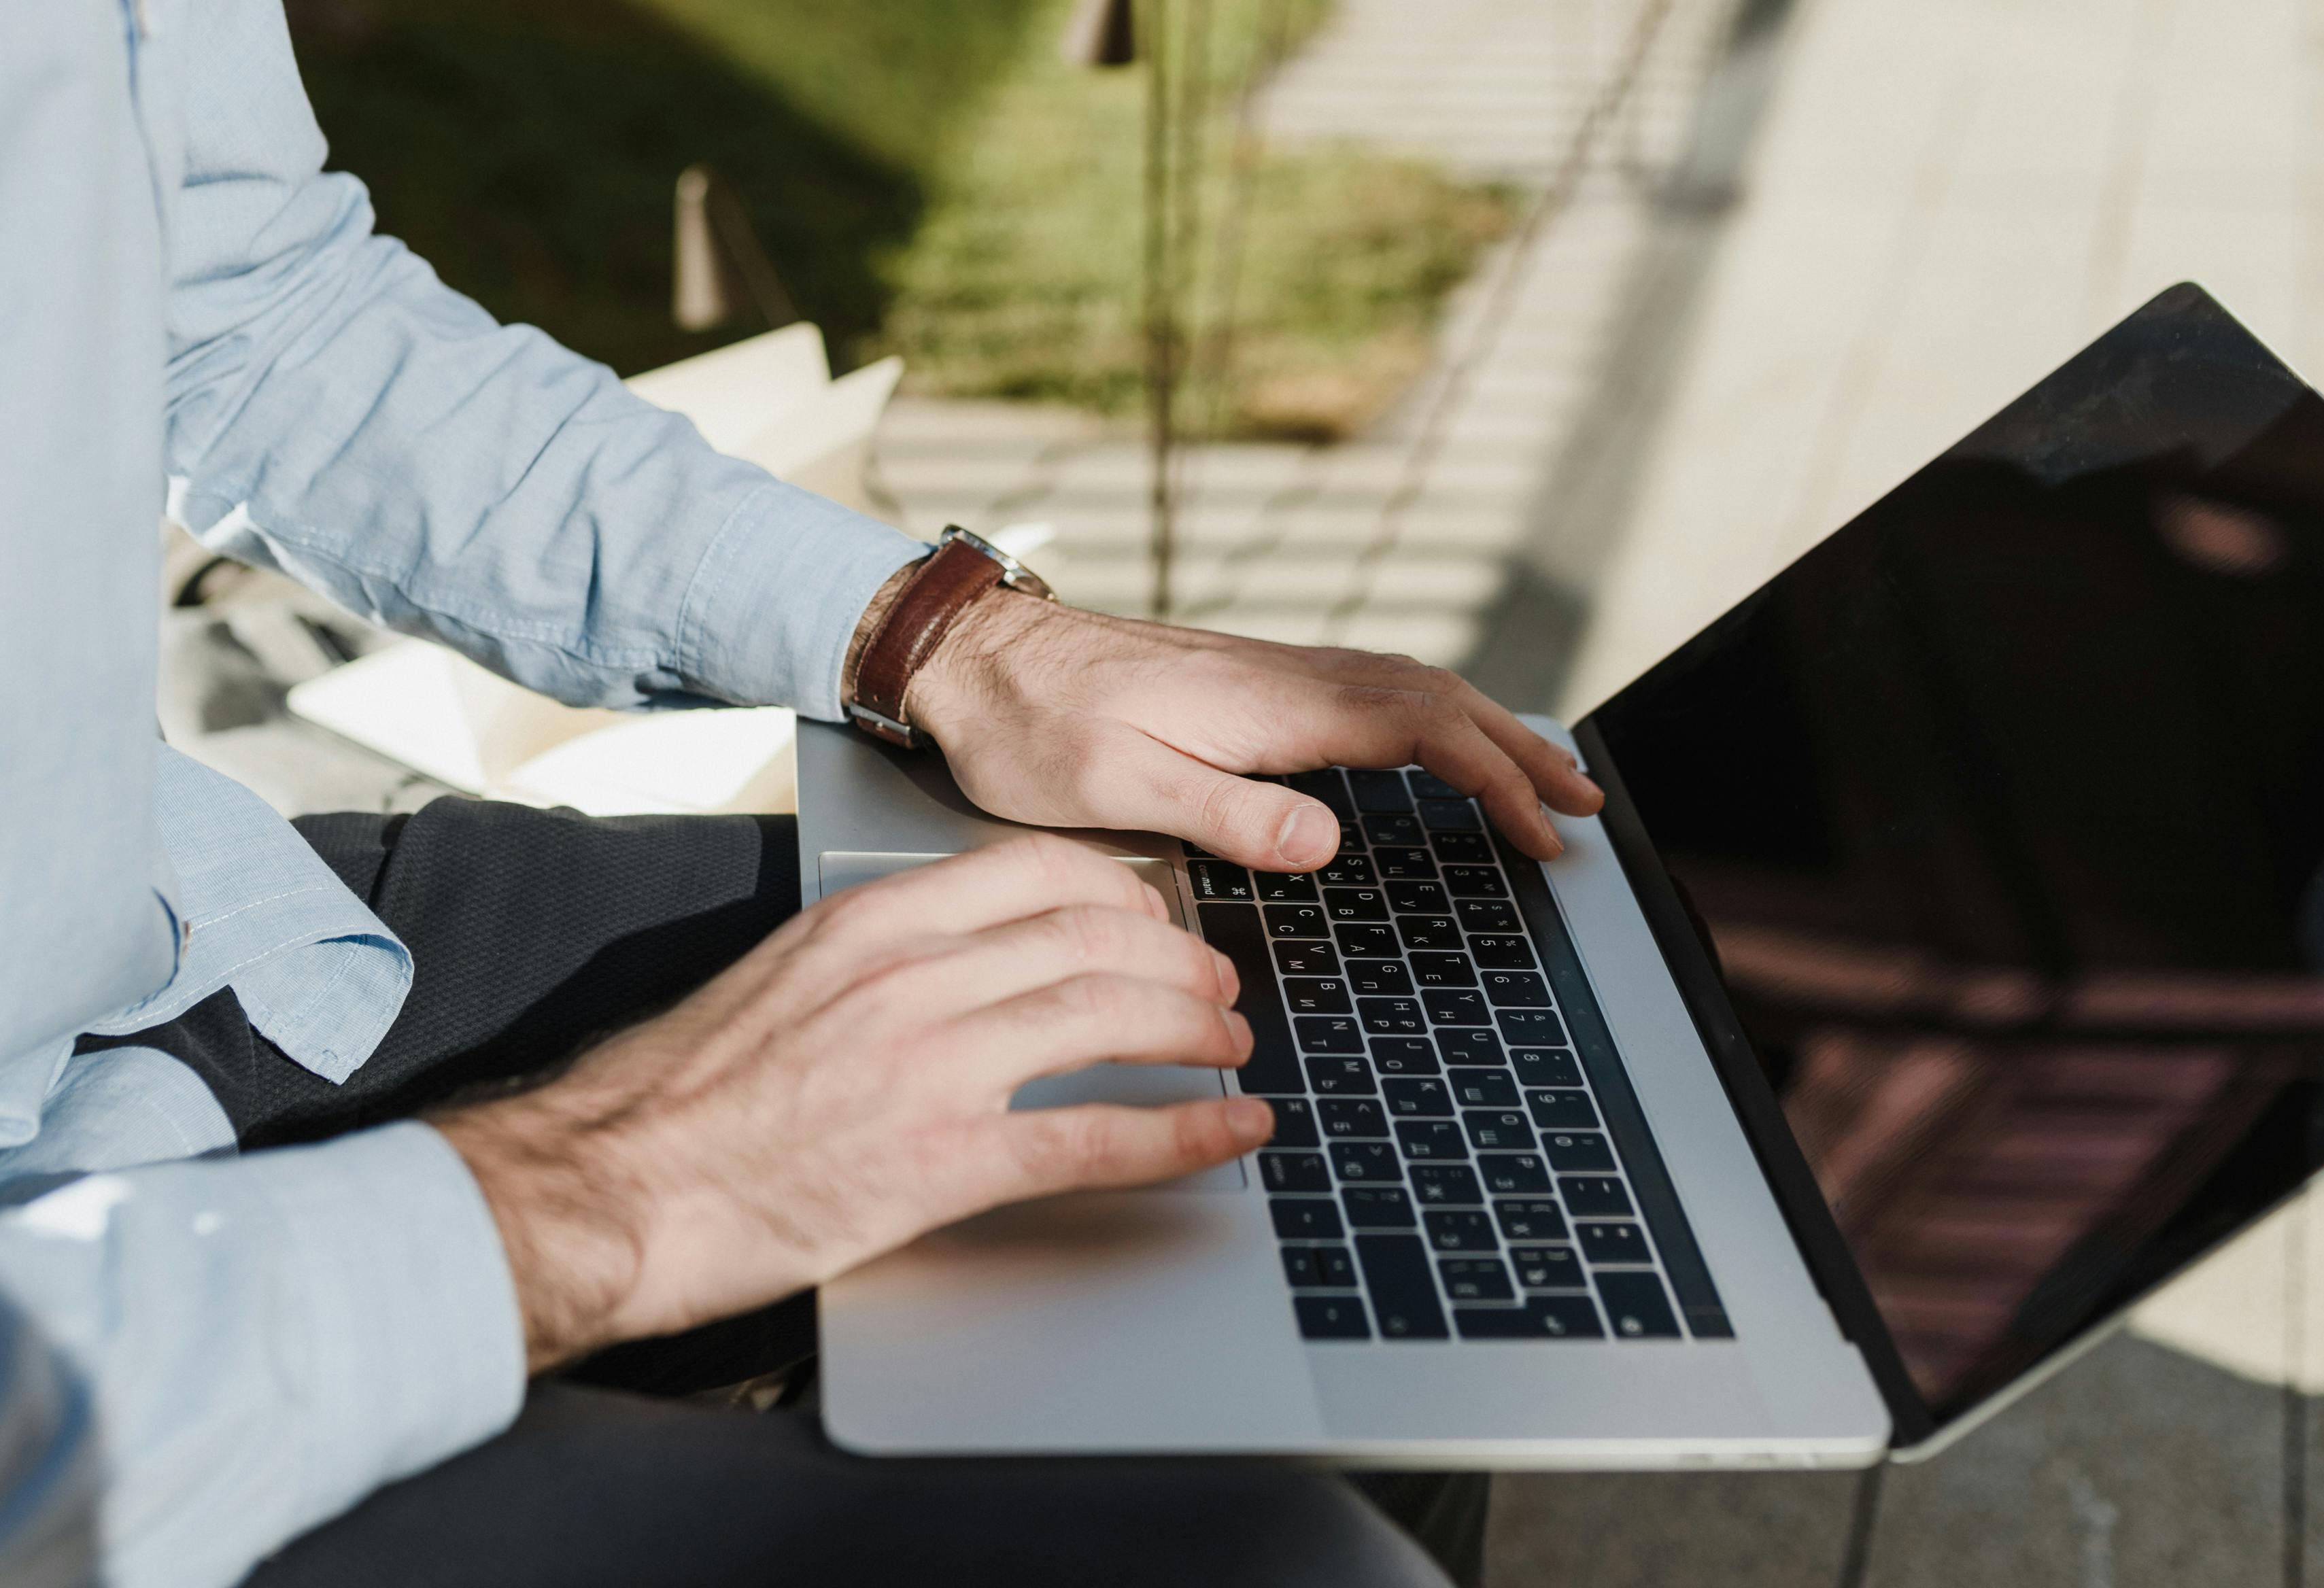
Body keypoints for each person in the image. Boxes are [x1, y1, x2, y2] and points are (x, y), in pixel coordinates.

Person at [0, 3, 1600, 1585]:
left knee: (1304, 1015)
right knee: (1272, 1565)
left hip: (148, 946)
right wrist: (601, 1187)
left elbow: (244, 318)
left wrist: (949, 640)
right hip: (80, 1391)